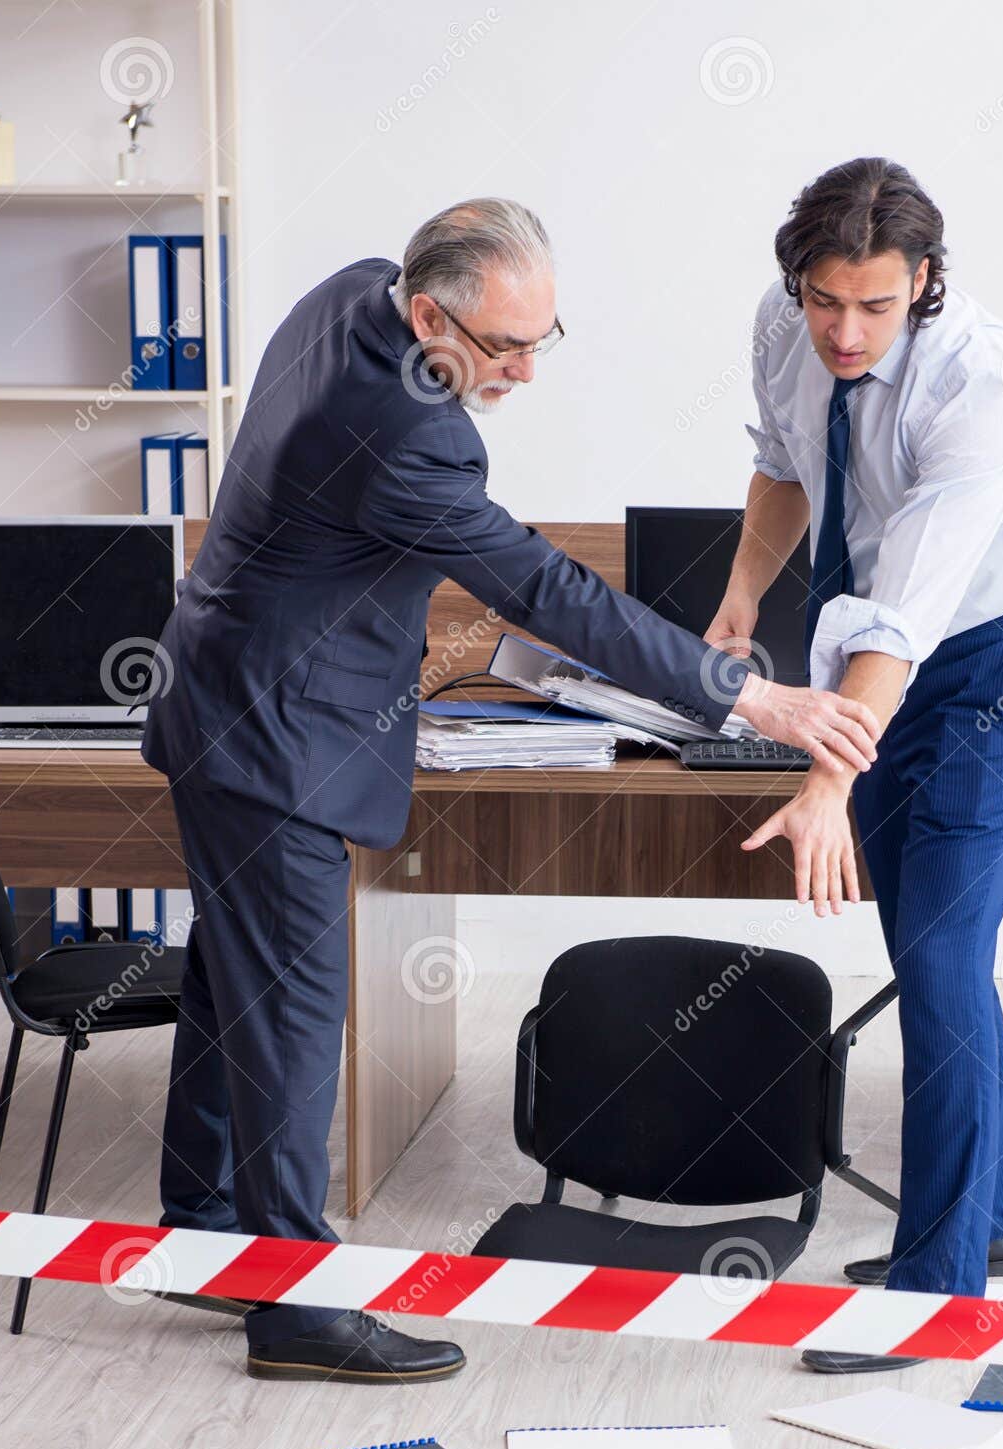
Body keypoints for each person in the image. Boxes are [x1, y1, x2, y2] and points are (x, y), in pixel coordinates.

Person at [143, 197, 880, 1385]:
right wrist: (752, 701)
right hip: (275, 732)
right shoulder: (399, 429)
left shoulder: (355, 283)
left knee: (233, 981)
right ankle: (294, 1307)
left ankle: (204, 1233)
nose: (527, 371)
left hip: (216, 691)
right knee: (284, 1009)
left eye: (545, 338)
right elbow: (547, 591)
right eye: (503, 348)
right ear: (429, 312)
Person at [705, 159, 1003, 1374]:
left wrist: (823, 784)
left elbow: (907, 615)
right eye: (823, 303)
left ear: (922, 281)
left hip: (985, 657)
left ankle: (935, 1298)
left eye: (872, 306)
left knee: (937, 958)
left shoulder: (983, 387)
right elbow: (782, 466)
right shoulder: (786, 319)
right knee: (932, 949)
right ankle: (997, 1223)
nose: (843, 332)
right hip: (867, 635)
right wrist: (740, 595)